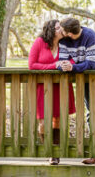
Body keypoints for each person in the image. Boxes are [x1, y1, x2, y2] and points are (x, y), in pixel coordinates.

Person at [56, 17, 95, 166]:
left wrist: (73, 67)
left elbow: (91, 64)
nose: (60, 31)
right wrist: (63, 65)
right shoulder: (64, 40)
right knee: (90, 113)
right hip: (85, 75)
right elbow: (62, 60)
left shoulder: (90, 36)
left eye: (62, 30)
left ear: (69, 33)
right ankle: (94, 153)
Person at [28, 19, 77, 165]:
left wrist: (68, 64)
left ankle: (54, 153)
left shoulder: (66, 43)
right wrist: (54, 65)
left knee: (58, 119)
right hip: (43, 87)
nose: (61, 29)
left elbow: (74, 60)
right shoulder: (39, 42)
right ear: (50, 30)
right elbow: (32, 65)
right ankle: (48, 148)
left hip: (62, 87)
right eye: (57, 28)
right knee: (43, 120)